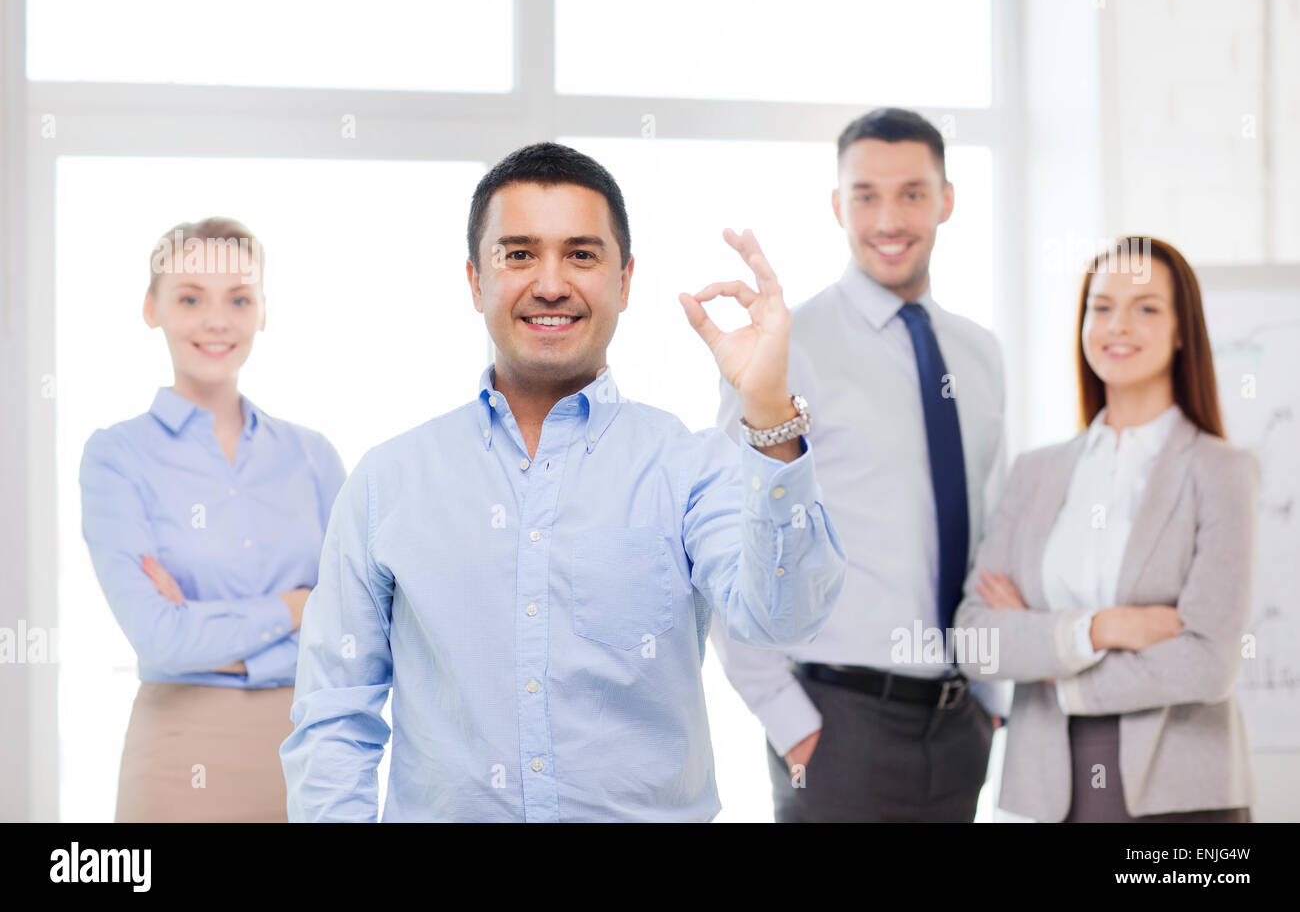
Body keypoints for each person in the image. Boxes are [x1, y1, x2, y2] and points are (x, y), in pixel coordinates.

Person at [280, 142, 847, 822]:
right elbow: (334, 713)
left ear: (625, 280)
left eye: (581, 254)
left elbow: (785, 618)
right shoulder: (388, 482)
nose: (551, 284)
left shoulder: (690, 468)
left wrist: (770, 414)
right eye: (518, 254)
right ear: (474, 280)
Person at [711, 107, 1010, 822]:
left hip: (959, 724)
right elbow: (729, 533)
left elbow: (990, 528)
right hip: (837, 723)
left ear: (946, 200)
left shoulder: (979, 353)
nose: (889, 218)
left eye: (912, 193)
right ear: (838, 205)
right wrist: (792, 722)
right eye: (867, 195)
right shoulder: (787, 343)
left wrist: (993, 699)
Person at [954, 236, 1257, 822]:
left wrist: (1051, 664)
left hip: (1183, 793)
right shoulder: (1035, 472)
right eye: (1101, 306)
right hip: (1045, 790)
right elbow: (975, 639)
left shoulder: (1222, 472)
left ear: (1179, 330)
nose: (1119, 324)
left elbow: (1210, 662)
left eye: (1146, 307)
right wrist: (1102, 629)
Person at [79, 217, 346, 822]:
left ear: (263, 311)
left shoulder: (313, 456)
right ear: (152, 308)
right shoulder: (116, 456)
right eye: (191, 297)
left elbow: (357, 629)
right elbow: (159, 639)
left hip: (310, 753)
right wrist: (296, 608)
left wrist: (203, 633)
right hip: (178, 753)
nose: (217, 321)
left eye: (239, 298)